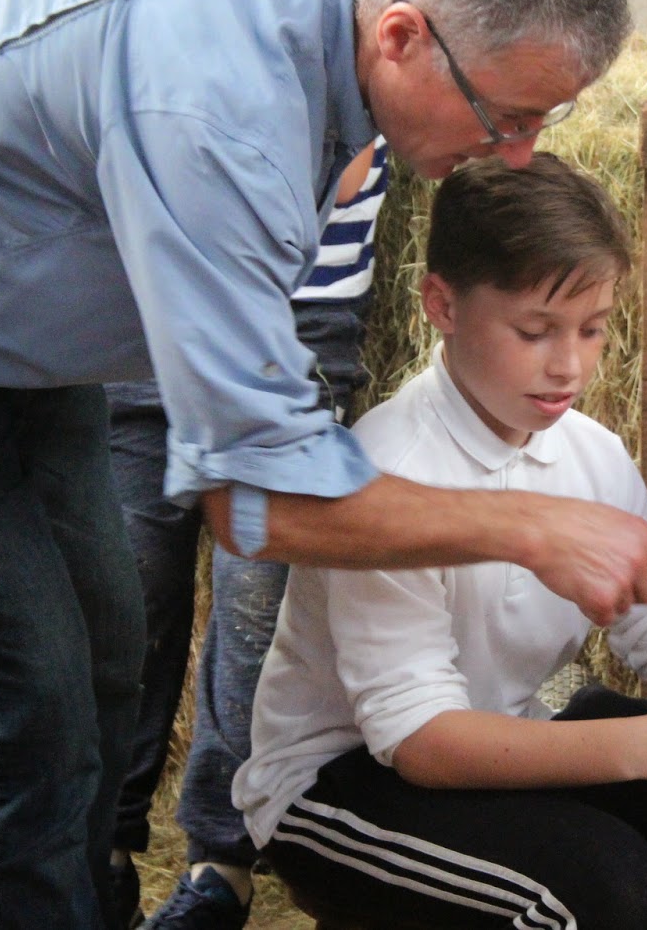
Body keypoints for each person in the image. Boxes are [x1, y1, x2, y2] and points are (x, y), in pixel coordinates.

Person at [0, 0, 647, 929]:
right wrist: (533, 525)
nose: (517, 151)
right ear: (400, 38)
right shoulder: (219, 114)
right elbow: (258, 506)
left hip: (23, 314)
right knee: (25, 712)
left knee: (105, 657)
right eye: (504, 114)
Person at [235, 154, 647, 930]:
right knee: (591, 890)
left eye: (593, 329)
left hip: (505, 738)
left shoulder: (590, 454)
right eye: (535, 331)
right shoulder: (388, 473)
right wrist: (645, 746)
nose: (570, 366)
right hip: (343, 783)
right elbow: (420, 743)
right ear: (442, 306)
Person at [107, 138, 389, 930]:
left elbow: (349, 168)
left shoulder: (356, 45)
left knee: (255, 608)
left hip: (296, 334)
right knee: (127, 595)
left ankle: (221, 863)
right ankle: (103, 849)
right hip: (149, 321)